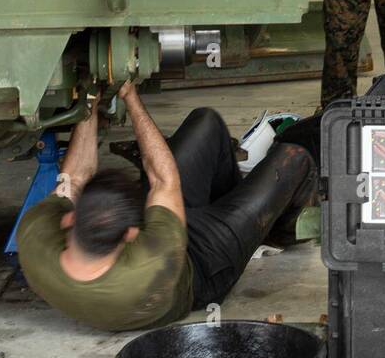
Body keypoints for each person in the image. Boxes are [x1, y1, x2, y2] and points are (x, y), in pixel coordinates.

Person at [17, 83, 316, 332]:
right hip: (202, 267)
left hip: (167, 228)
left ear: (69, 219)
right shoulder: (151, 259)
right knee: (294, 156)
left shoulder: (34, 237)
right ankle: (276, 232)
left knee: (206, 121)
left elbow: (75, 178)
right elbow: (163, 179)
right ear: (133, 234)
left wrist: (90, 100)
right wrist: (129, 95)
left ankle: (238, 215)